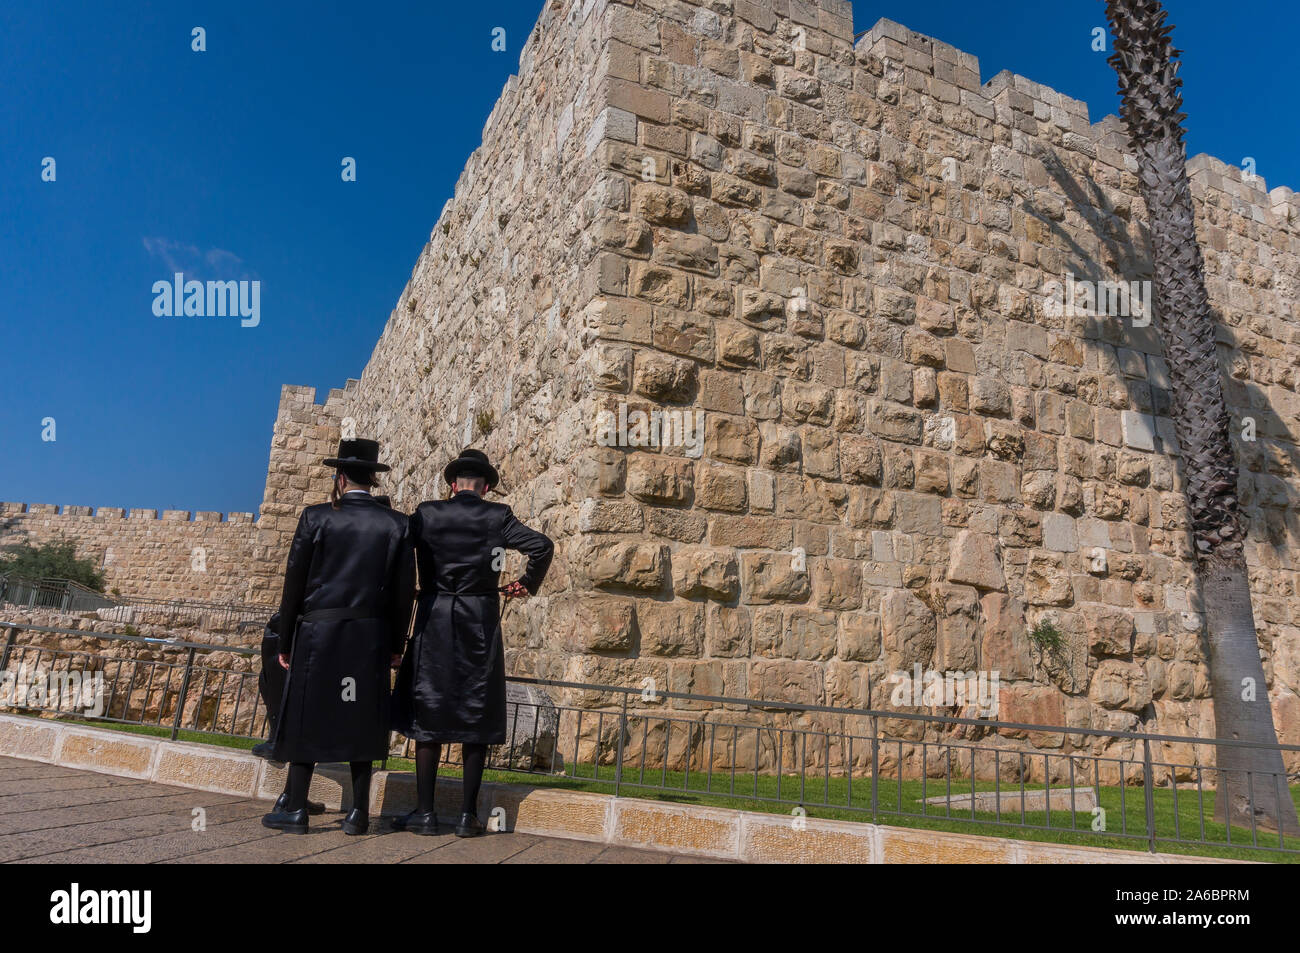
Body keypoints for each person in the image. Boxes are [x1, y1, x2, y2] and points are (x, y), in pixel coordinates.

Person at [392, 448, 553, 837]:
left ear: (452, 485)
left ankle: (427, 814)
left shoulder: (427, 514)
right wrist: (525, 583)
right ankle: (467, 816)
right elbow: (542, 546)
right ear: (484, 487)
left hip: (433, 616)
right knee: (476, 714)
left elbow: (396, 547)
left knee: (427, 713)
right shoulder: (498, 517)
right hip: (479, 619)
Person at [261, 439, 415, 835]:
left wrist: (286, 642)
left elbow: (293, 583)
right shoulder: (397, 524)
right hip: (370, 635)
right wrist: (397, 644)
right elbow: (403, 593)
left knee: (306, 714)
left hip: (318, 631)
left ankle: (295, 807)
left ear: (340, 477)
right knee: (363, 717)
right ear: (373, 479)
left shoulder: (315, 518)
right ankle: (358, 814)